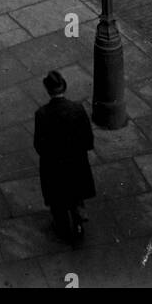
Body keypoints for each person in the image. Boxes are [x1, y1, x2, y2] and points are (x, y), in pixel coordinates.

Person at [33, 70, 96, 244]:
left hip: (54, 164)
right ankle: (78, 223)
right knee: (75, 193)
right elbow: (88, 138)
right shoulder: (77, 109)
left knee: (57, 198)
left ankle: (62, 228)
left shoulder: (42, 114)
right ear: (65, 87)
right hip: (75, 161)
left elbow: (39, 143)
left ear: (48, 90)